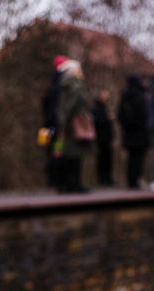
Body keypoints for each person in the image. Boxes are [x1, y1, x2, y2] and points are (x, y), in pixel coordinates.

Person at [54, 59, 93, 193]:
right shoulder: (76, 85)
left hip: (65, 124)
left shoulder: (64, 83)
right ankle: (73, 184)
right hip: (74, 124)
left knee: (62, 152)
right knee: (74, 155)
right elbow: (75, 103)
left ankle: (64, 184)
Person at [41, 56, 69, 190]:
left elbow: (45, 105)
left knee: (50, 150)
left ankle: (52, 180)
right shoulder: (61, 86)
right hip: (57, 125)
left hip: (48, 126)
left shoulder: (50, 87)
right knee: (58, 150)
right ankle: (58, 180)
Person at [118, 75, 149, 189]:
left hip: (129, 132)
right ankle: (136, 179)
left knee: (131, 157)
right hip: (140, 132)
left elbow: (120, 115)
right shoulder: (141, 96)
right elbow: (144, 114)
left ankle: (131, 181)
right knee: (139, 157)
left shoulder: (124, 97)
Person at [93, 88, 115, 187]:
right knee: (102, 158)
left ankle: (107, 178)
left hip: (106, 136)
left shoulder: (105, 107)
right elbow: (97, 121)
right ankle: (102, 178)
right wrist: (107, 118)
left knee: (108, 158)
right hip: (101, 137)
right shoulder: (96, 108)